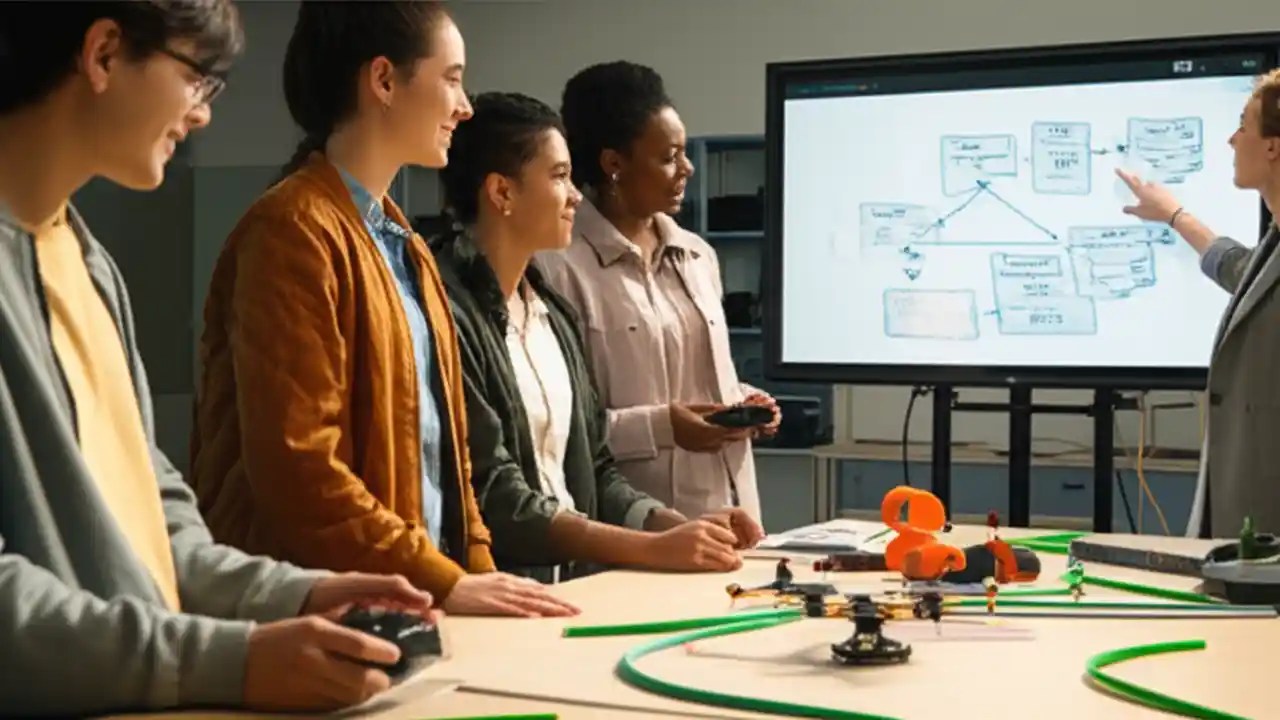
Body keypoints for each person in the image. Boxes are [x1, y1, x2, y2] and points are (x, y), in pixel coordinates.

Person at [0, 2, 441, 715]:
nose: (202, 116)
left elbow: (152, 516)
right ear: (105, 54)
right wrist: (227, 660)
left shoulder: (89, 263)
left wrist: (293, 593)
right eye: (197, 79)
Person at [189, 1, 576, 618]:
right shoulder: (292, 230)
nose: (465, 105)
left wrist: (475, 576)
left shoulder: (408, 249)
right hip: (310, 619)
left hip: (407, 604)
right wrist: (445, 582)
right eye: (451, 78)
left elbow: (453, 459)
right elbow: (300, 469)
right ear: (384, 81)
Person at [431, 92, 764, 581]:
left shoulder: (550, 314)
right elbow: (495, 495)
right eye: (560, 177)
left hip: (572, 590)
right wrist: (648, 549)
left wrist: (680, 527)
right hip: (503, 596)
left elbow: (597, 470)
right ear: (502, 193)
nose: (576, 195)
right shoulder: (448, 315)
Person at [539, 60, 780, 525]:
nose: (686, 168)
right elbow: (556, 431)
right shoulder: (557, 267)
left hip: (735, 516)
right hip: (639, 529)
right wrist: (662, 426)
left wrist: (743, 404)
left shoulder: (697, 255)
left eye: (685, 153)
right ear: (613, 165)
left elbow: (695, 380)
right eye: (669, 157)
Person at [1115, 67, 1280, 538]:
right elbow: (1243, 272)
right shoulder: (1275, 240)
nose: (1232, 140)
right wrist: (1174, 215)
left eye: (1244, 126)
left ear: (1273, 146)